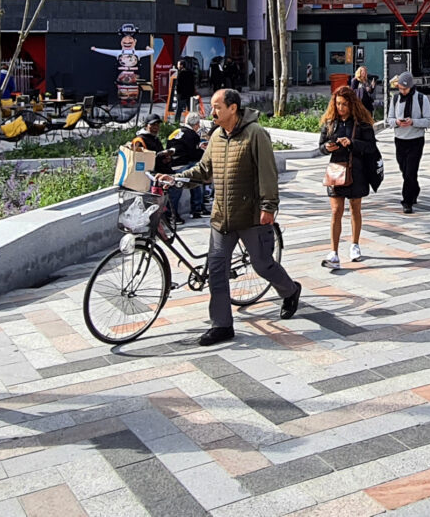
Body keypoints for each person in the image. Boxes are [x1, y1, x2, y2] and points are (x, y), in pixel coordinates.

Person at [162, 89, 300, 344]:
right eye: (212, 107)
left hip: (251, 217)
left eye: (217, 107)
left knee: (262, 264)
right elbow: (204, 171)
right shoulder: (216, 136)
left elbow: (269, 174)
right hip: (221, 218)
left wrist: (268, 207)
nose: (212, 112)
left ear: (233, 108)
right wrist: (176, 179)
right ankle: (222, 325)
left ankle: (290, 290)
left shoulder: (255, 134)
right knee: (216, 270)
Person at [318, 87, 380, 266]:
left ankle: (354, 244)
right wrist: (327, 148)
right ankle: (333, 252)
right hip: (336, 171)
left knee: (355, 208)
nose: (340, 108)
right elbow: (321, 146)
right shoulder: (331, 122)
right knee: (336, 211)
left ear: (352, 104)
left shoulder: (361, 124)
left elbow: (371, 147)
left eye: (344, 104)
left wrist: (352, 143)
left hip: (357, 171)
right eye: (338, 104)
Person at [384, 72, 430, 214]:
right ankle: (415, 189)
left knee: (411, 171)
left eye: (404, 89)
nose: (402, 91)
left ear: (411, 87)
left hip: (416, 140)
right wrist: (397, 122)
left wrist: (413, 122)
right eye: (400, 88)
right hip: (400, 139)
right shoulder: (395, 99)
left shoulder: (421, 98)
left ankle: (407, 202)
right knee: (404, 170)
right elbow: (389, 119)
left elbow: (428, 120)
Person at [160, 112, 208, 219]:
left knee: (175, 189)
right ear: (195, 124)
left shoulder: (176, 132)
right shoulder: (192, 135)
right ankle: (197, 208)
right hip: (184, 164)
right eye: (198, 124)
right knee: (196, 180)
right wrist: (203, 151)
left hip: (171, 164)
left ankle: (172, 213)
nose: (199, 127)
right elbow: (193, 155)